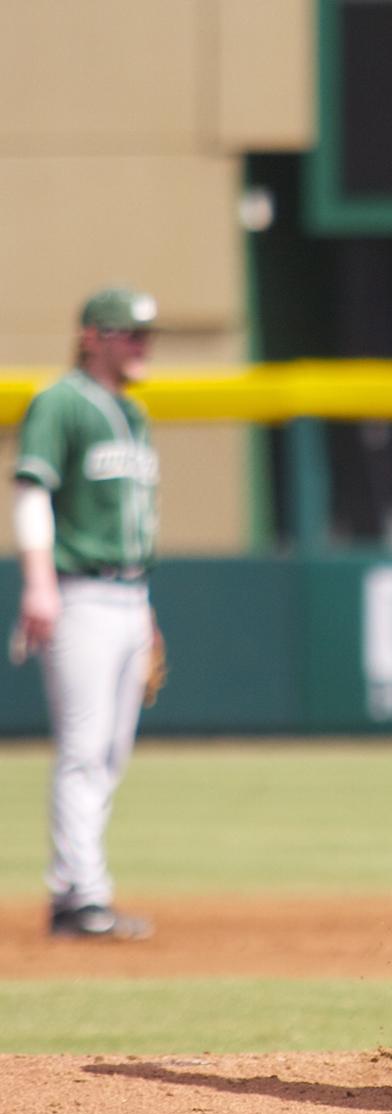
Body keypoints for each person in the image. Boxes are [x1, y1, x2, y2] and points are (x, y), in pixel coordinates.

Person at [11, 287, 162, 939]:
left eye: (145, 335)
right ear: (92, 336)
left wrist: (147, 610)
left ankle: (80, 887)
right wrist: (39, 583)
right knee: (83, 745)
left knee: (111, 752)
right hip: (78, 592)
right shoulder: (60, 402)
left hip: (129, 595)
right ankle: (79, 895)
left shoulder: (134, 414)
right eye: (129, 333)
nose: (141, 345)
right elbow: (29, 492)